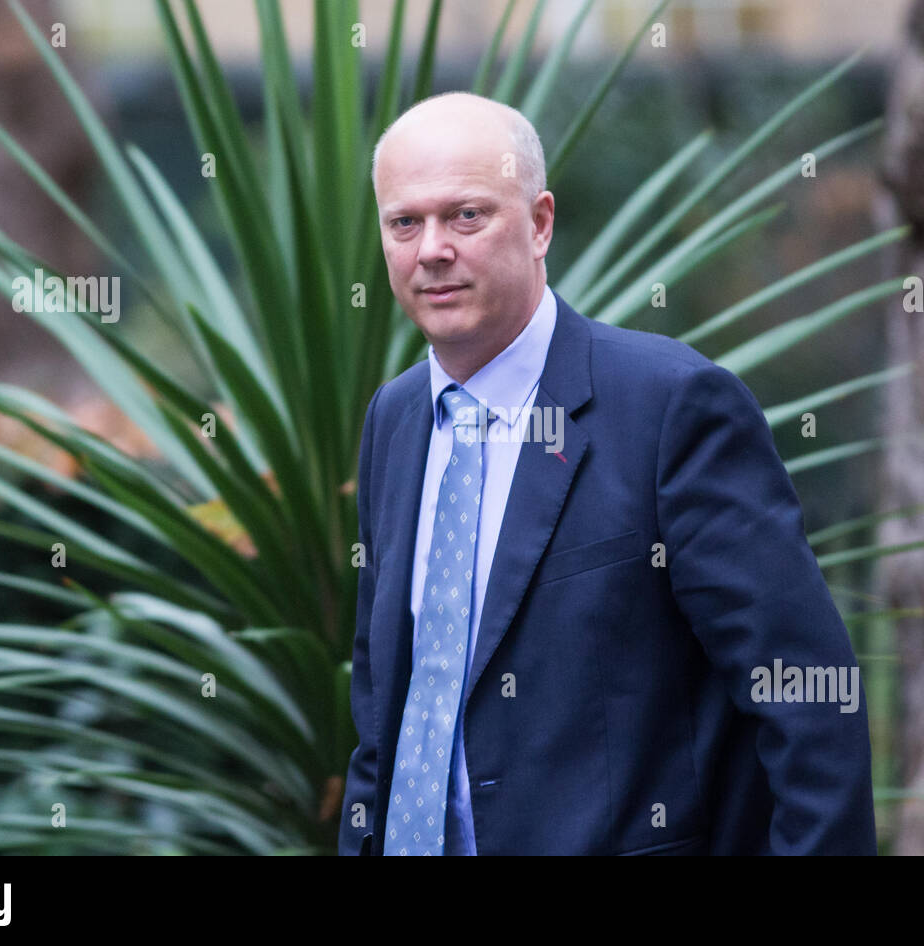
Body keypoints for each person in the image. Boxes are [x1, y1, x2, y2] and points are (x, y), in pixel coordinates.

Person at [338, 91, 876, 855]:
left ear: (540, 223)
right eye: (405, 222)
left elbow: (809, 701)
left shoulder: (667, 409)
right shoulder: (394, 423)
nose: (432, 248)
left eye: (466, 216)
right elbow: (383, 715)